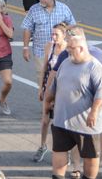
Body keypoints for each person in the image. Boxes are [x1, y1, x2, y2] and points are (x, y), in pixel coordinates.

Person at [44, 30, 102, 179]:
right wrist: (47, 102)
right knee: (59, 151)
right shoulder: (65, 63)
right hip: (62, 121)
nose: (68, 51)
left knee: (90, 157)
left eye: (71, 48)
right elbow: (54, 87)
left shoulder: (95, 67)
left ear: (81, 48)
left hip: (86, 125)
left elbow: (100, 94)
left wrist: (93, 113)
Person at [22, 0, 76, 82]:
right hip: (40, 51)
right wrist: (25, 48)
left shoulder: (63, 8)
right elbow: (27, 28)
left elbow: (72, 24)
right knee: (42, 79)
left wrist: (62, 29)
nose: (42, 0)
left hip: (60, 51)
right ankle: (43, 96)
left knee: (60, 78)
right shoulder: (34, 9)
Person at [34, 22, 69, 163]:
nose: (53, 37)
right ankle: (42, 146)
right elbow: (44, 69)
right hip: (49, 87)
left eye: (56, 34)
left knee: (62, 122)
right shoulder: (49, 46)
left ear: (64, 35)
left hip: (63, 89)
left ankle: (67, 151)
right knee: (45, 119)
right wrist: (41, 88)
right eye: (52, 34)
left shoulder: (68, 50)